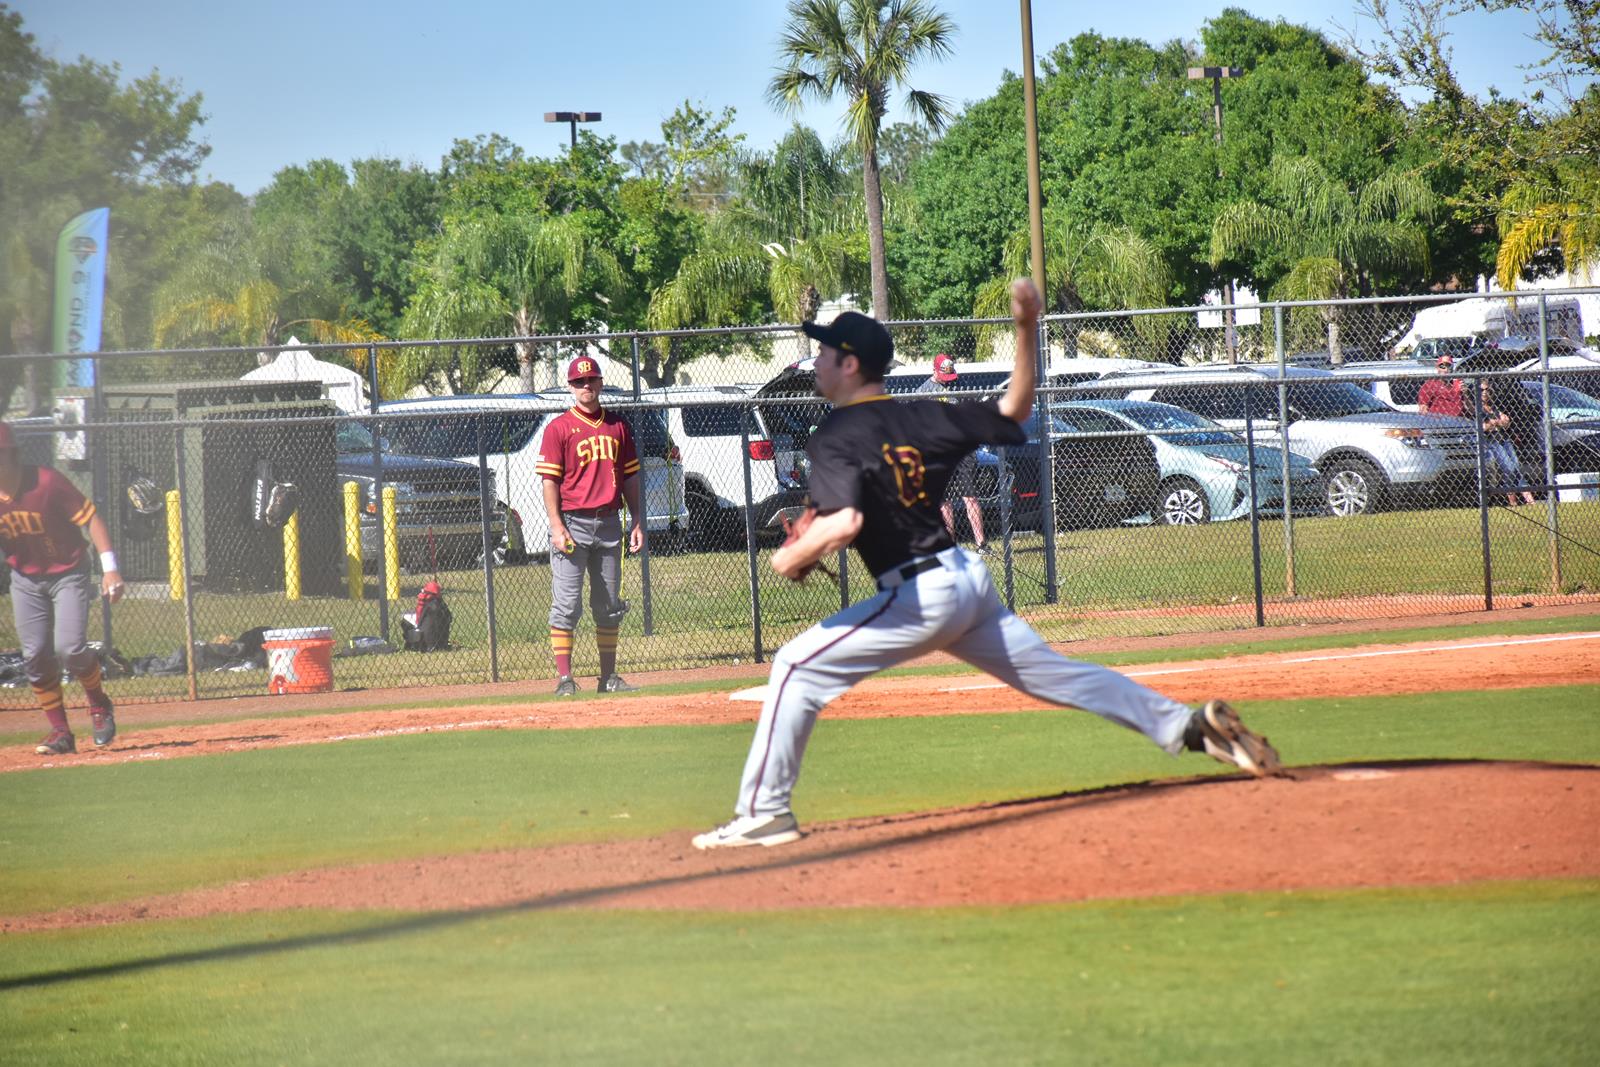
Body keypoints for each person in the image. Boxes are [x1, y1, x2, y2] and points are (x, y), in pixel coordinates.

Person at [692, 282, 1282, 850]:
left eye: (824, 352)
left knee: (795, 666)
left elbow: (843, 523)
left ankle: (764, 814)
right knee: (1057, 674)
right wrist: (1026, 328)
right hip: (965, 581)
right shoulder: (922, 414)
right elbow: (1015, 409)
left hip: (920, 594)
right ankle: (1186, 726)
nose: (816, 361)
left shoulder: (836, 434)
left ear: (849, 365)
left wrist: (790, 554)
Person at [0, 423, 123, 755]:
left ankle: (98, 702)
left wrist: (110, 569)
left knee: (69, 648)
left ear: (11, 455)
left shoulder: (46, 482)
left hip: (68, 571)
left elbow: (91, 519)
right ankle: (60, 732)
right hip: (25, 579)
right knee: (35, 655)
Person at [538, 357, 646, 695]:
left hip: (610, 522)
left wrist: (638, 520)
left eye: (591, 380)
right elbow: (549, 482)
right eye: (579, 381)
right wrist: (556, 526)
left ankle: (608, 678)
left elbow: (630, 477)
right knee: (567, 605)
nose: (586, 386)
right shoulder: (558, 428)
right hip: (573, 523)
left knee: (609, 605)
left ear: (600, 383)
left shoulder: (618, 426)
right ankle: (565, 679)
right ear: (571, 387)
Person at [919, 354, 990, 554]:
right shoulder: (923, 391)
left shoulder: (959, 385)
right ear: (934, 370)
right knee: (944, 501)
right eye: (944, 376)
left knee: (971, 497)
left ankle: (981, 544)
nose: (948, 381)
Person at [1477, 379, 1537, 506]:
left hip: (1504, 439)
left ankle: (1530, 501)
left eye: (1487, 390)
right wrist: (1496, 422)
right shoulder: (1477, 408)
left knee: (1517, 469)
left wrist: (1497, 422)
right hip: (1492, 441)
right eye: (1482, 390)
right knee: (1509, 469)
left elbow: (1506, 422)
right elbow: (1483, 427)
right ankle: (1513, 502)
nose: (1485, 392)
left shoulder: (1493, 408)